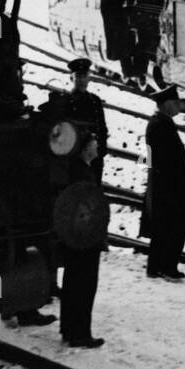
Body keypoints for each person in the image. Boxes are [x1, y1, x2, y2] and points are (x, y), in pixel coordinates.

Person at [140, 84, 185, 279]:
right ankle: (165, 266)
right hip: (167, 185)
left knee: (163, 227)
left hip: (165, 183)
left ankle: (157, 266)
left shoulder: (160, 122)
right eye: (175, 103)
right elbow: (157, 157)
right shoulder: (159, 124)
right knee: (170, 227)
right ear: (166, 105)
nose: (178, 106)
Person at [58, 133, 107, 348]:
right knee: (84, 285)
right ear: (86, 149)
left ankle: (70, 329)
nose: (98, 146)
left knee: (72, 282)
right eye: (94, 143)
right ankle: (80, 333)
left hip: (76, 239)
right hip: (85, 239)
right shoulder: (83, 174)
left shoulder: (77, 170)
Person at [44, 57, 109, 182]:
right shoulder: (66, 101)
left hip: (94, 154)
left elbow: (102, 127)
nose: (81, 80)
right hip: (75, 155)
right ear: (71, 78)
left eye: (84, 76)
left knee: (94, 187)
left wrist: (101, 151)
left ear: (89, 78)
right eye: (78, 76)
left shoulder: (95, 100)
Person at [98, 0, 136, 80]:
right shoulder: (106, 1)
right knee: (124, 54)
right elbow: (117, 11)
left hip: (119, 33)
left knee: (125, 53)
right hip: (116, 34)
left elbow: (118, 0)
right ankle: (128, 73)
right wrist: (131, 9)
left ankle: (129, 73)